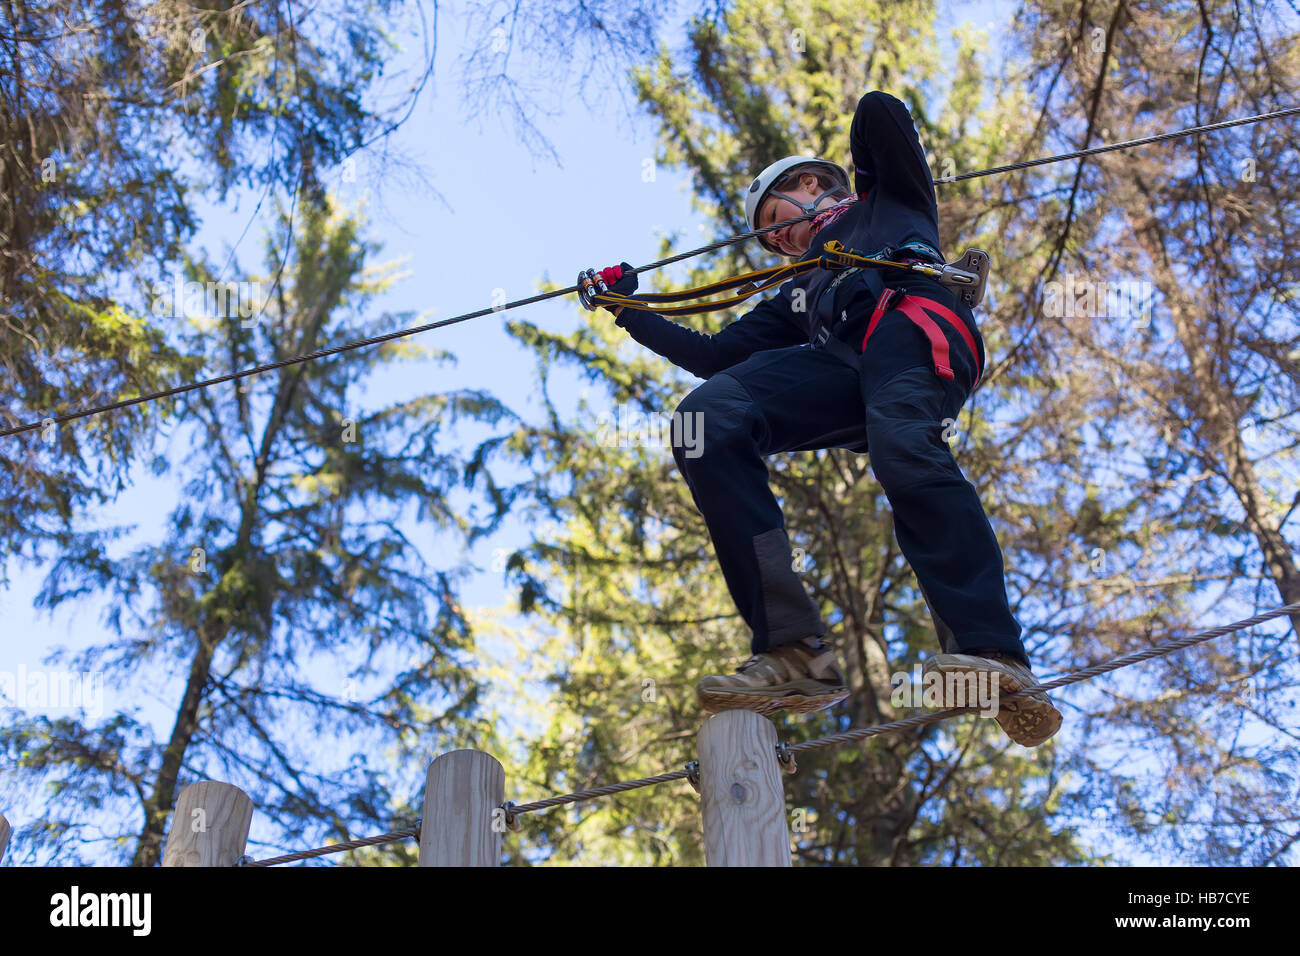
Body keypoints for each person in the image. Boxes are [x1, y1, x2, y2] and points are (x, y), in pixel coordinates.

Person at [585, 90, 1061, 747]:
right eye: (767, 236)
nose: (773, 237)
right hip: (841, 364)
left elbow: (881, 114)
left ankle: (992, 655)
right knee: (709, 416)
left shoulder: (888, 202)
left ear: (812, 183)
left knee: (903, 444)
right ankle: (794, 652)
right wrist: (624, 307)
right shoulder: (798, 289)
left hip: (912, 323)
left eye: (774, 216)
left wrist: (859, 175)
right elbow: (713, 355)